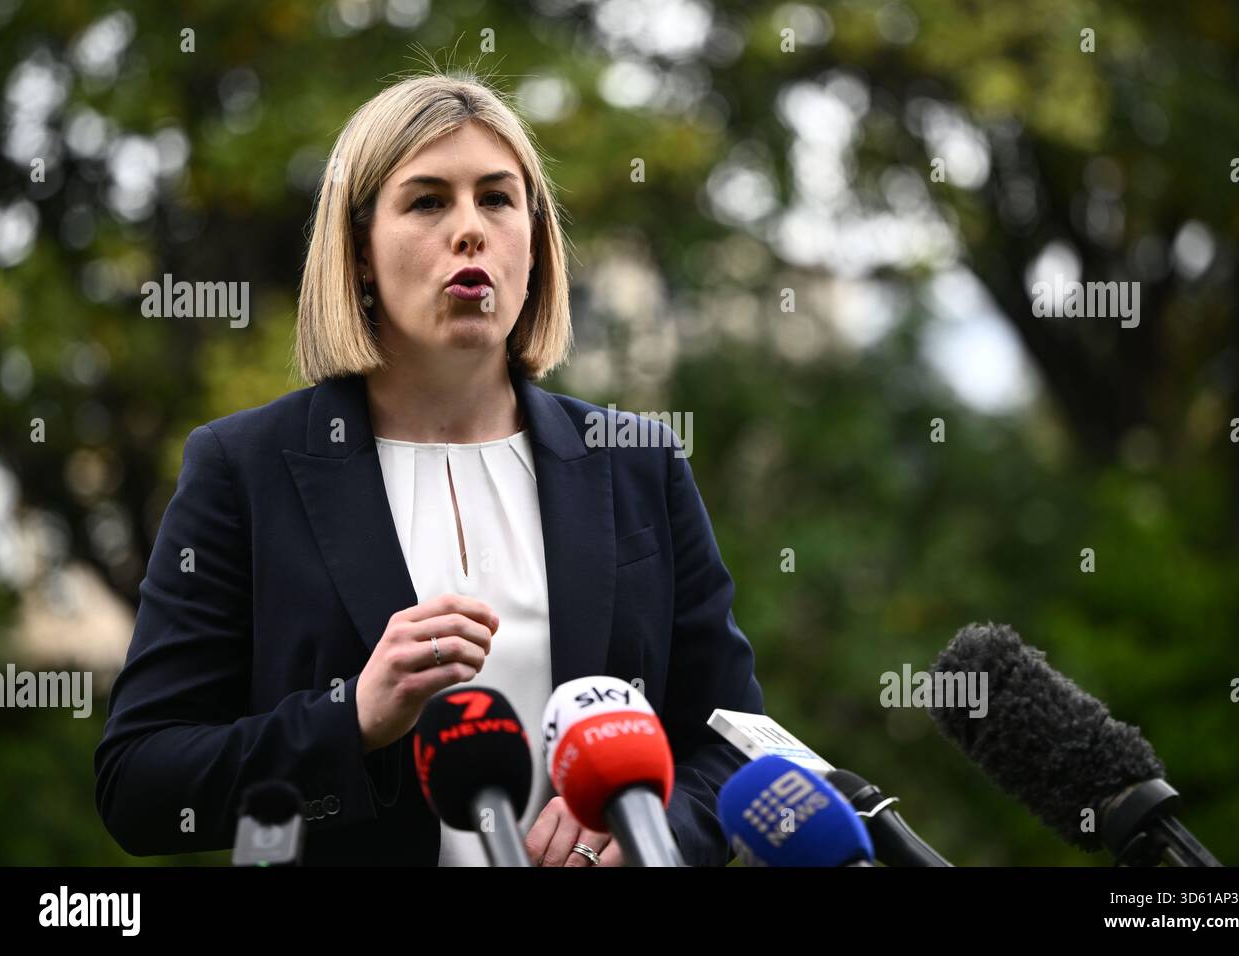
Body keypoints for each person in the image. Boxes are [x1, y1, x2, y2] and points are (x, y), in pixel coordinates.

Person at [94, 69, 765, 866]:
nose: (471, 230)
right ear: (362, 253)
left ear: (535, 241)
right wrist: (355, 719)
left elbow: (734, 746)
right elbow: (140, 782)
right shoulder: (242, 469)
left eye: (497, 198)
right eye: (427, 201)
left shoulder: (639, 463)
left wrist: (646, 826)